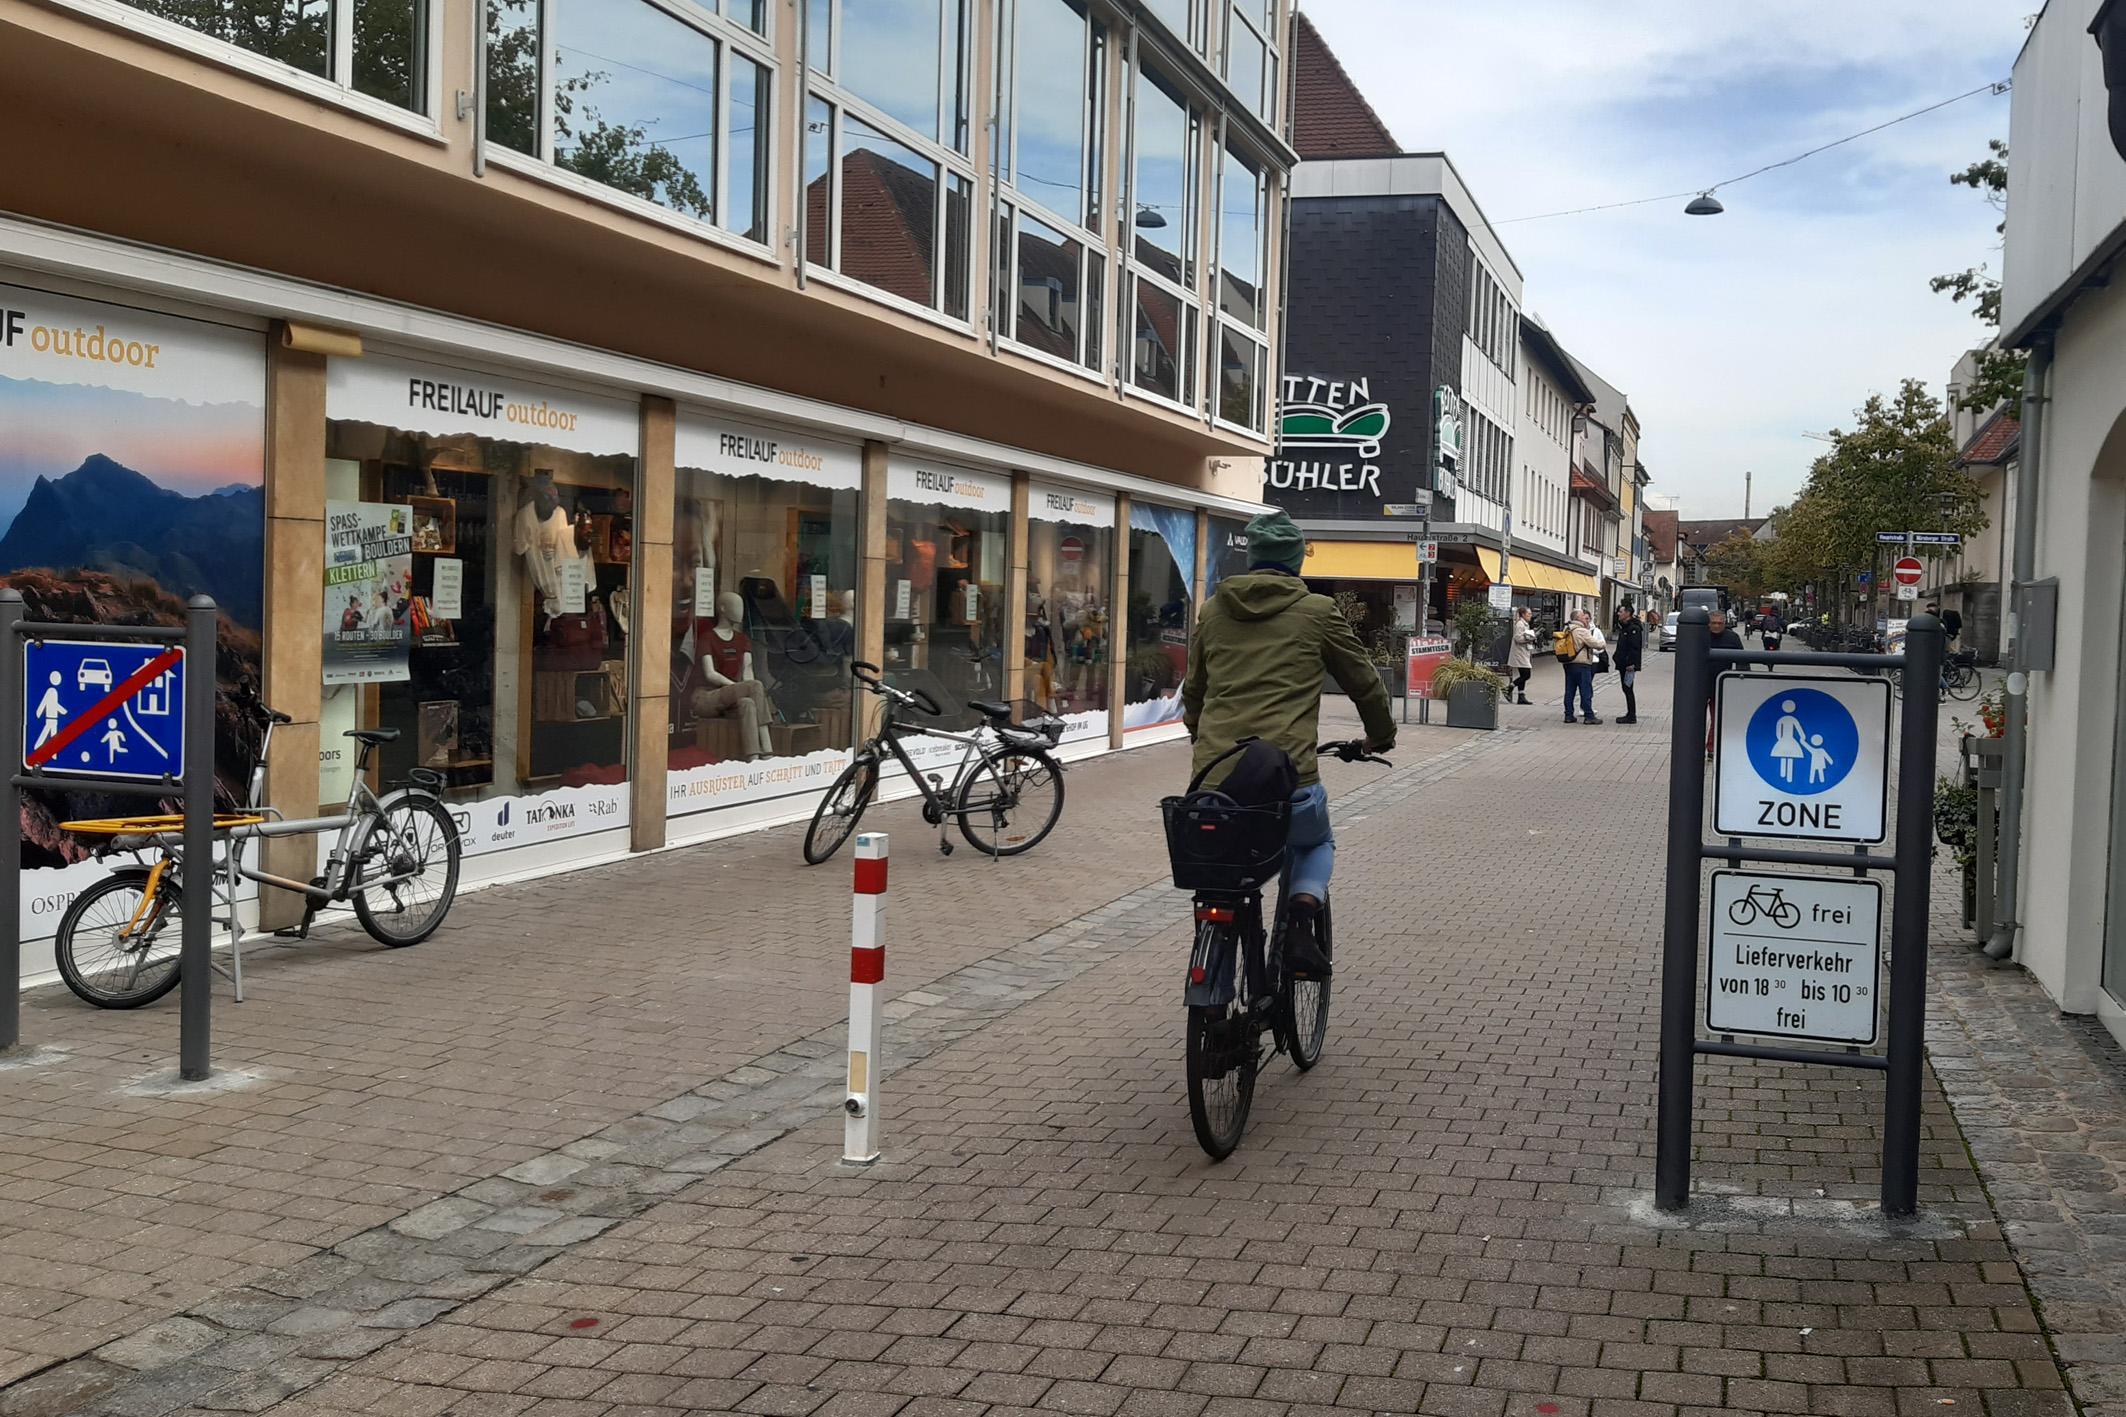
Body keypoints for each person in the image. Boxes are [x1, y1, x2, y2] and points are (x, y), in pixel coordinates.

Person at [1182, 510, 1395, 979]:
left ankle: (1212, 997)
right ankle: (1301, 920)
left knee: (1223, 882)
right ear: (1296, 562)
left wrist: (1200, 736)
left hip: (1215, 782)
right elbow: (1364, 683)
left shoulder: (1213, 610)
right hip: (1287, 776)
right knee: (1314, 840)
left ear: (1252, 558)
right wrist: (1379, 737)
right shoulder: (1317, 612)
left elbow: (1194, 691)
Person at [1706, 609, 1745, 756]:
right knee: (1694, 719)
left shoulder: (1732, 638)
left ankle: (1712, 748)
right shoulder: (1700, 636)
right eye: (1713, 623)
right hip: (1699, 684)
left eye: (1719, 623)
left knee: (1717, 719)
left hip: (1721, 684)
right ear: (1708, 624)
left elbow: (1742, 661)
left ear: (1724, 623)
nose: (1716, 626)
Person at [1564, 609, 1606, 724]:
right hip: (1582, 664)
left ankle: (1568, 715)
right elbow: (1595, 643)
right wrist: (1603, 644)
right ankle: (1589, 716)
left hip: (1568, 663)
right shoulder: (1581, 630)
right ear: (1578, 618)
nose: (1585, 618)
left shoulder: (1567, 628)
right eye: (1583, 616)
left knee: (1569, 690)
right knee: (1585, 690)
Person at [1613, 602, 1644, 723]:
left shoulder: (1633, 629)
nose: (1618, 614)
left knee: (1628, 688)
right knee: (1626, 688)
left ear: (1627, 613)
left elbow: (1635, 648)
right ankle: (1630, 714)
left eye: (1621, 612)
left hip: (1628, 665)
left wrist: (1632, 664)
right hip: (1623, 664)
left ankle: (1631, 715)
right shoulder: (1625, 627)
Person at [1506, 606, 1536, 704]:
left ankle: (1521, 696)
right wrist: (1529, 638)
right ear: (1523, 614)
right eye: (1529, 614)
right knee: (1527, 674)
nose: (1530, 616)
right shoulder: (1520, 624)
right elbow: (1518, 638)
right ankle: (1509, 687)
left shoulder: (1525, 624)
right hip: (1519, 653)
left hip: (1523, 652)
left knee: (1523, 674)